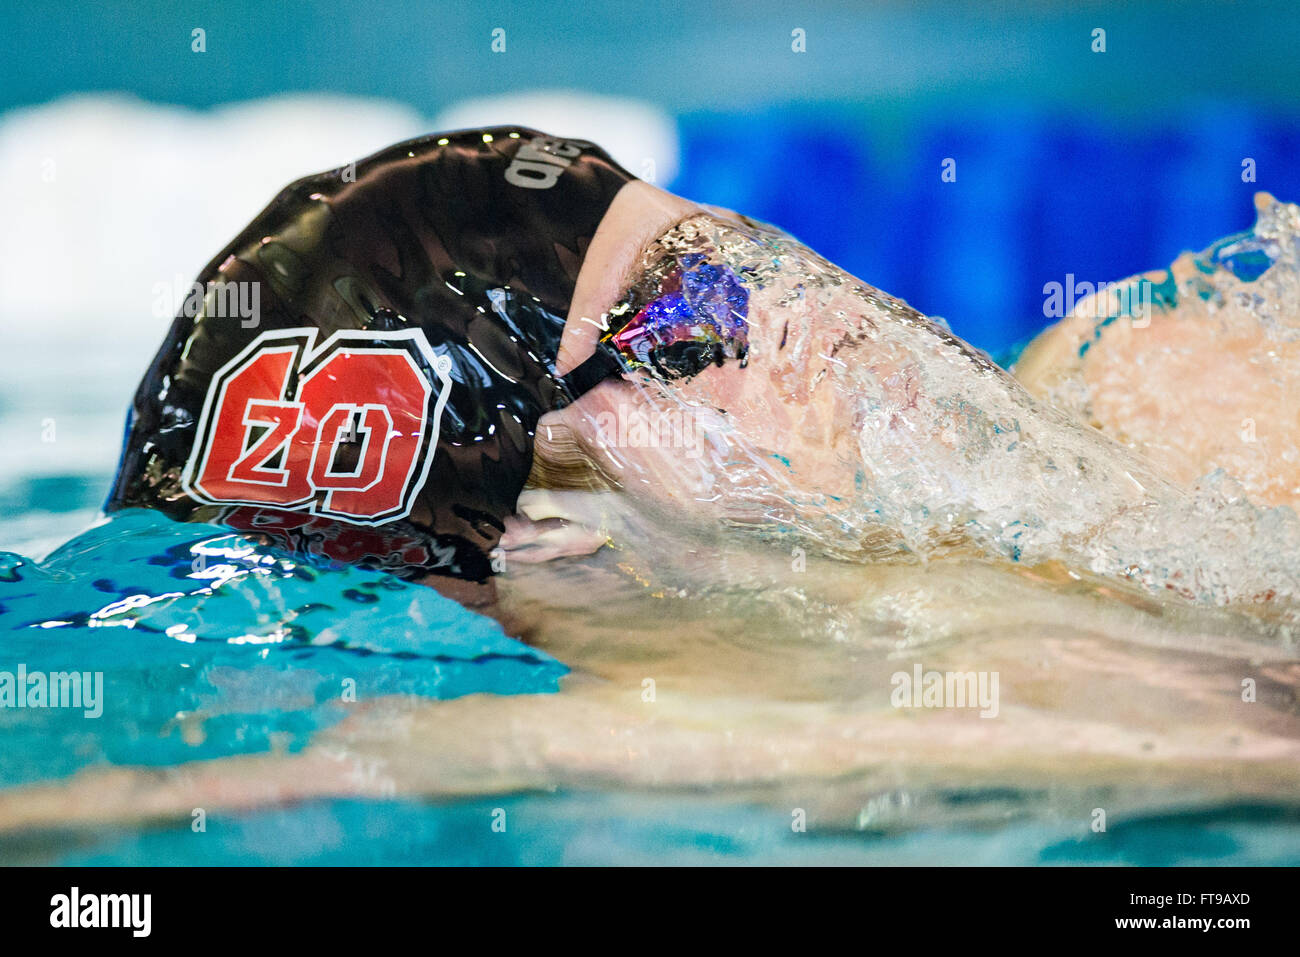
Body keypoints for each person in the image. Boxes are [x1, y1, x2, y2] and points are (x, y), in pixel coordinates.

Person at [110, 127, 1300, 616]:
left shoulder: (1162, 379)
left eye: (728, 254)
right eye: (685, 325)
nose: (791, 313)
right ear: (542, 534)